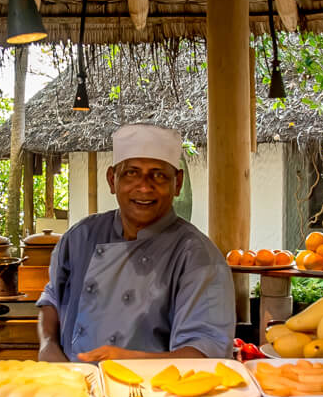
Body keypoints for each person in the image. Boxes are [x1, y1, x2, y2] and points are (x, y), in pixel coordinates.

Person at [37, 123, 235, 362]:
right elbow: (52, 298)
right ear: (112, 180)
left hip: (154, 394)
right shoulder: (80, 236)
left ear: (177, 183)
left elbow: (206, 353)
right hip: (74, 386)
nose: (144, 186)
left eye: (159, 175)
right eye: (131, 173)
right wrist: (47, 343)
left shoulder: (197, 256)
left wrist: (128, 361)